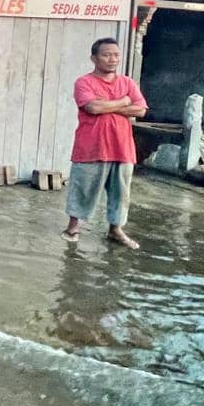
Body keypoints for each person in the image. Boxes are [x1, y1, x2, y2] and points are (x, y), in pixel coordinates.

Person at [62, 37, 147, 249]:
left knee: (121, 192)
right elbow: (92, 108)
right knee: (83, 187)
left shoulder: (128, 83)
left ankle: (115, 230)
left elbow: (141, 110)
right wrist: (124, 102)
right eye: (106, 55)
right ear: (94, 58)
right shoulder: (84, 82)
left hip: (122, 147)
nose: (112, 59)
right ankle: (73, 227)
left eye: (116, 55)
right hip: (92, 145)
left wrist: (107, 105)